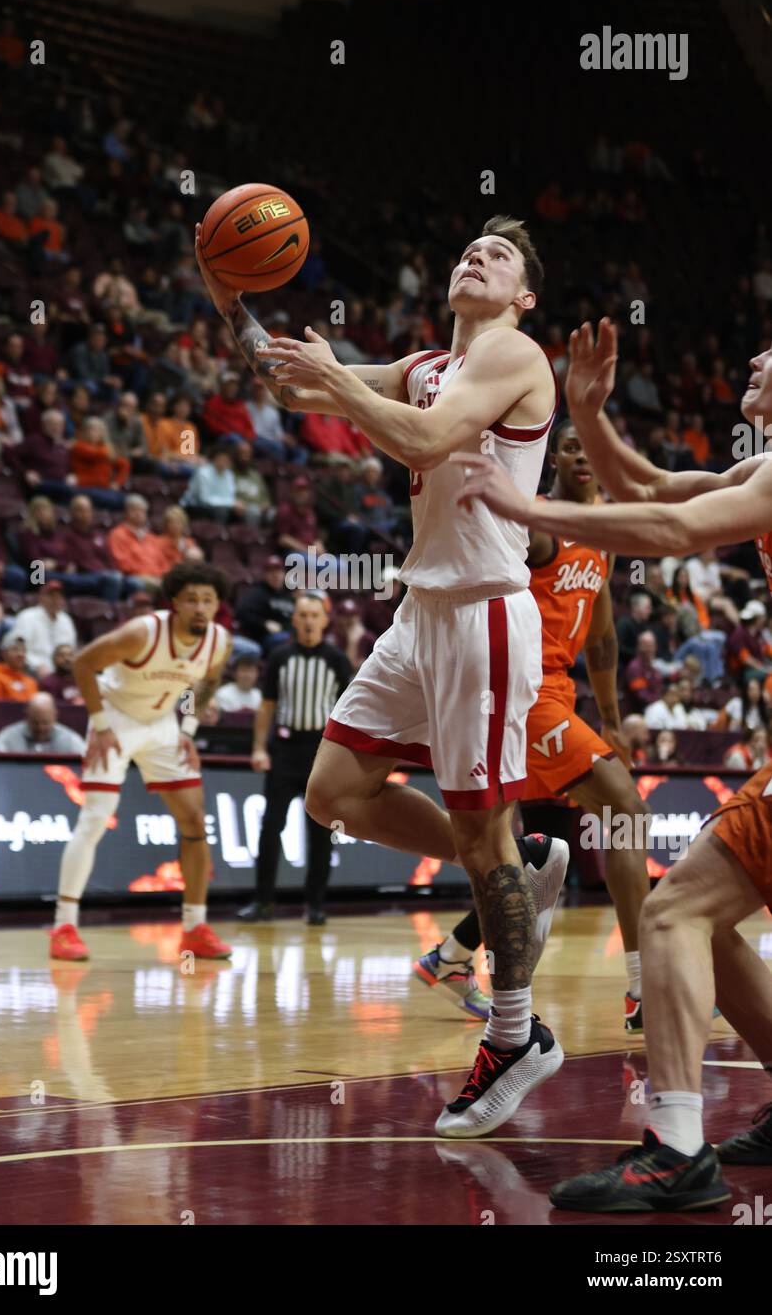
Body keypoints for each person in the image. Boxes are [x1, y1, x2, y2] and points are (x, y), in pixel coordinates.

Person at [199, 212, 565, 1137]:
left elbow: (427, 442)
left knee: (479, 844)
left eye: (498, 256)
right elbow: (289, 389)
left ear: (523, 296)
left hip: (484, 612)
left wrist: (334, 379)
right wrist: (235, 305)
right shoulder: (422, 365)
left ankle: (516, 1038)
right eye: (468, 248)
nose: (473, 256)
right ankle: (518, 872)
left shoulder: (516, 354)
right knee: (332, 794)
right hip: (419, 613)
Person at [455, 320, 772, 1210]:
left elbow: (670, 528)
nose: (754, 358)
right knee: (702, 914)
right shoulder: (761, 470)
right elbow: (656, 485)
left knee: (672, 911)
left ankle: (675, 1145)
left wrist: (533, 510)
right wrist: (591, 416)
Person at [415, 418, 651, 1029]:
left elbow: (601, 642)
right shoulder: (539, 521)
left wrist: (613, 720)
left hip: (561, 698)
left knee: (541, 857)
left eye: (589, 449)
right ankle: (643, 985)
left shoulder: (602, 538)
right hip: (523, 689)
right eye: (569, 447)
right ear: (555, 461)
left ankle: (452, 955)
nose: (580, 457)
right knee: (625, 813)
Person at [48, 562, 233, 965]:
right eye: (192, 600)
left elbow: (209, 681)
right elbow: (82, 663)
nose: (200, 608)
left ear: (218, 604)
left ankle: (195, 928)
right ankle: (63, 927)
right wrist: (99, 724)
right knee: (96, 818)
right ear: (175, 604)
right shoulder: (142, 633)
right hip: (115, 718)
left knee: (195, 822)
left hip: (163, 724)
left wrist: (188, 728)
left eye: (208, 600)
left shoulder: (218, 641)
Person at [240, 593, 352, 925]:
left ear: (324, 620)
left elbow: (349, 709)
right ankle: (263, 902)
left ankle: (315, 904)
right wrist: (259, 748)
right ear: (294, 619)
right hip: (285, 750)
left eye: (313, 615)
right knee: (270, 827)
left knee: (320, 832)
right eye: (302, 614)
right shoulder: (278, 657)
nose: (307, 620)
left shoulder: (336, 660)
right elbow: (266, 707)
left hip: (321, 753)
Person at [4, 580, 78, 677]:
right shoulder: (27, 616)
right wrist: (35, 665)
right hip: (32, 670)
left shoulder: (66, 620)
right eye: (52, 596)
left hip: (61, 673)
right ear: (41, 598)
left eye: (59, 596)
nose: (56, 600)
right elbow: (16, 648)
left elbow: (71, 650)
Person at [0, 693, 85, 754]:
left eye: (45, 723)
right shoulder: (7, 738)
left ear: (55, 716)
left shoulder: (70, 740)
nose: (40, 728)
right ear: (26, 716)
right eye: (35, 723)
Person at [0, 634, 40, 702]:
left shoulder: (31, 682)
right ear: (3, 653)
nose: (20, 654)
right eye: (15, 649)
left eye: (23, 650)